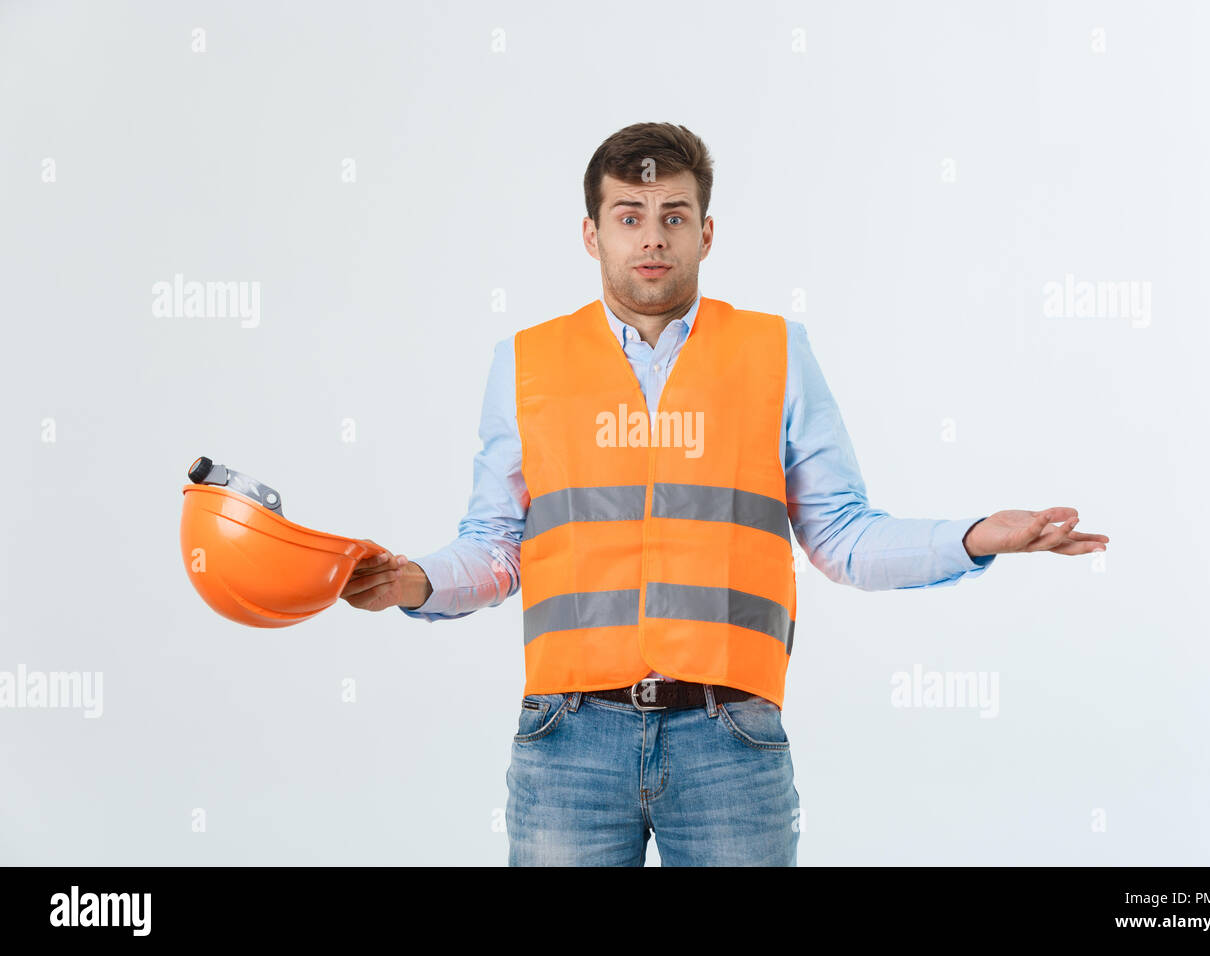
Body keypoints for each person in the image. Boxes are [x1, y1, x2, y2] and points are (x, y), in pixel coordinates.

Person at [340, 122, 1109, 866]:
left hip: (730, 738)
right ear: (591, 234)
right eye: (629, 216)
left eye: (674, 216)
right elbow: (495, 545)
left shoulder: (775, 351)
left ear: (706, 234)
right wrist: (417, 580)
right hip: (566, 741)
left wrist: (974, 536)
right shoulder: (526, 363)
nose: (652, 237)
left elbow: (842, 537)